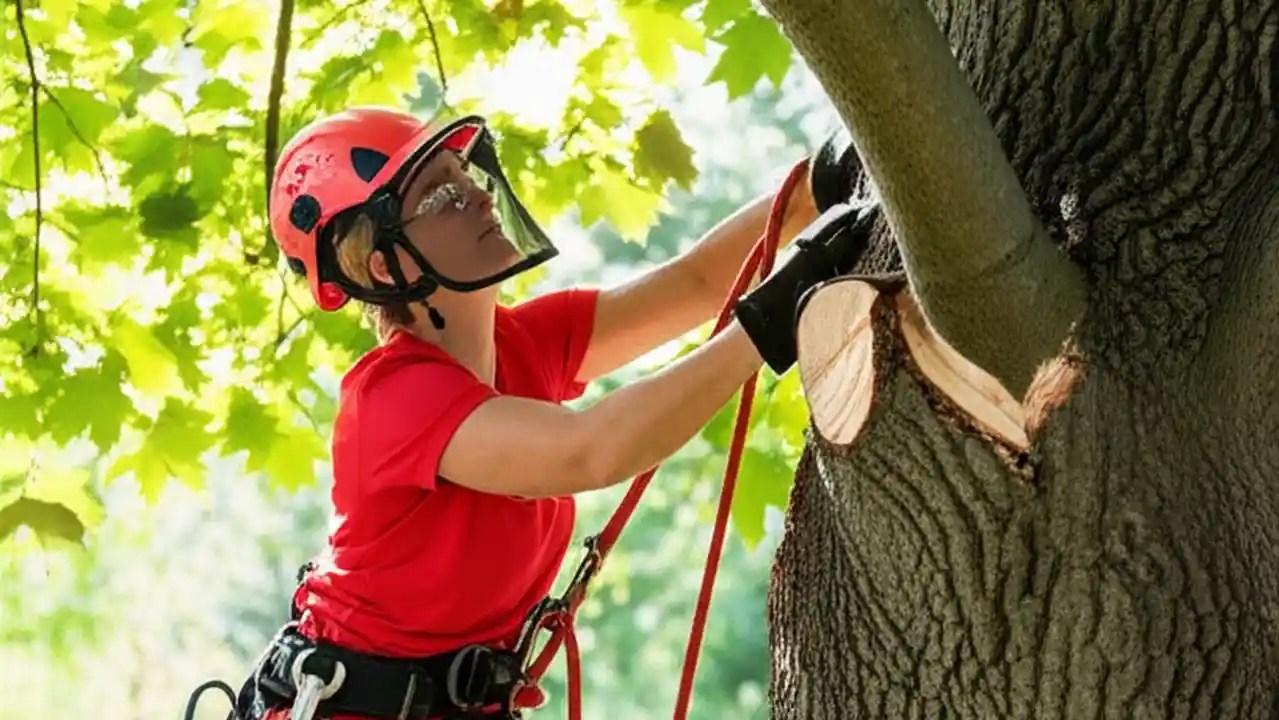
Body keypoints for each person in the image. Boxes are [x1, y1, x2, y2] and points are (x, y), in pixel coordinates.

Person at [230, 106, 873, 720]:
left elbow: (698, 284)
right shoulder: (392, 397)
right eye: (441, 196)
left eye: (466, 177)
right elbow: (590, 450)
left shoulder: (527, 344)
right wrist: (777, 316)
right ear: (386, 265)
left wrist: (820, 182)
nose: (479, 197)